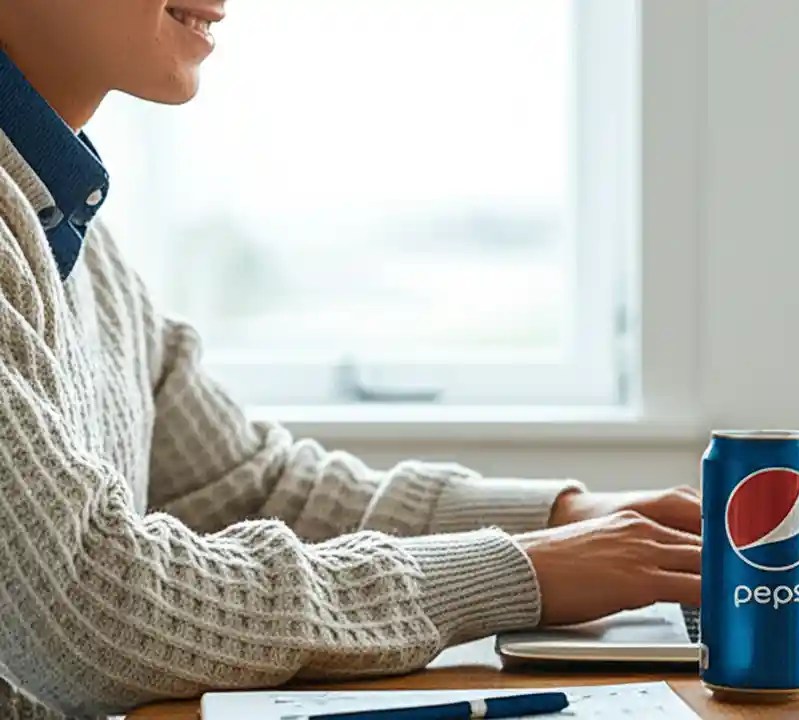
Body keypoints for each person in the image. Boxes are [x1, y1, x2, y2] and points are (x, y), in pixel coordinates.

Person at [0, 1, 702, 717]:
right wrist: (518, 573)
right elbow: (86, 604)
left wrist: (561, 520)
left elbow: (254, 489)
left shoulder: (66, 227)